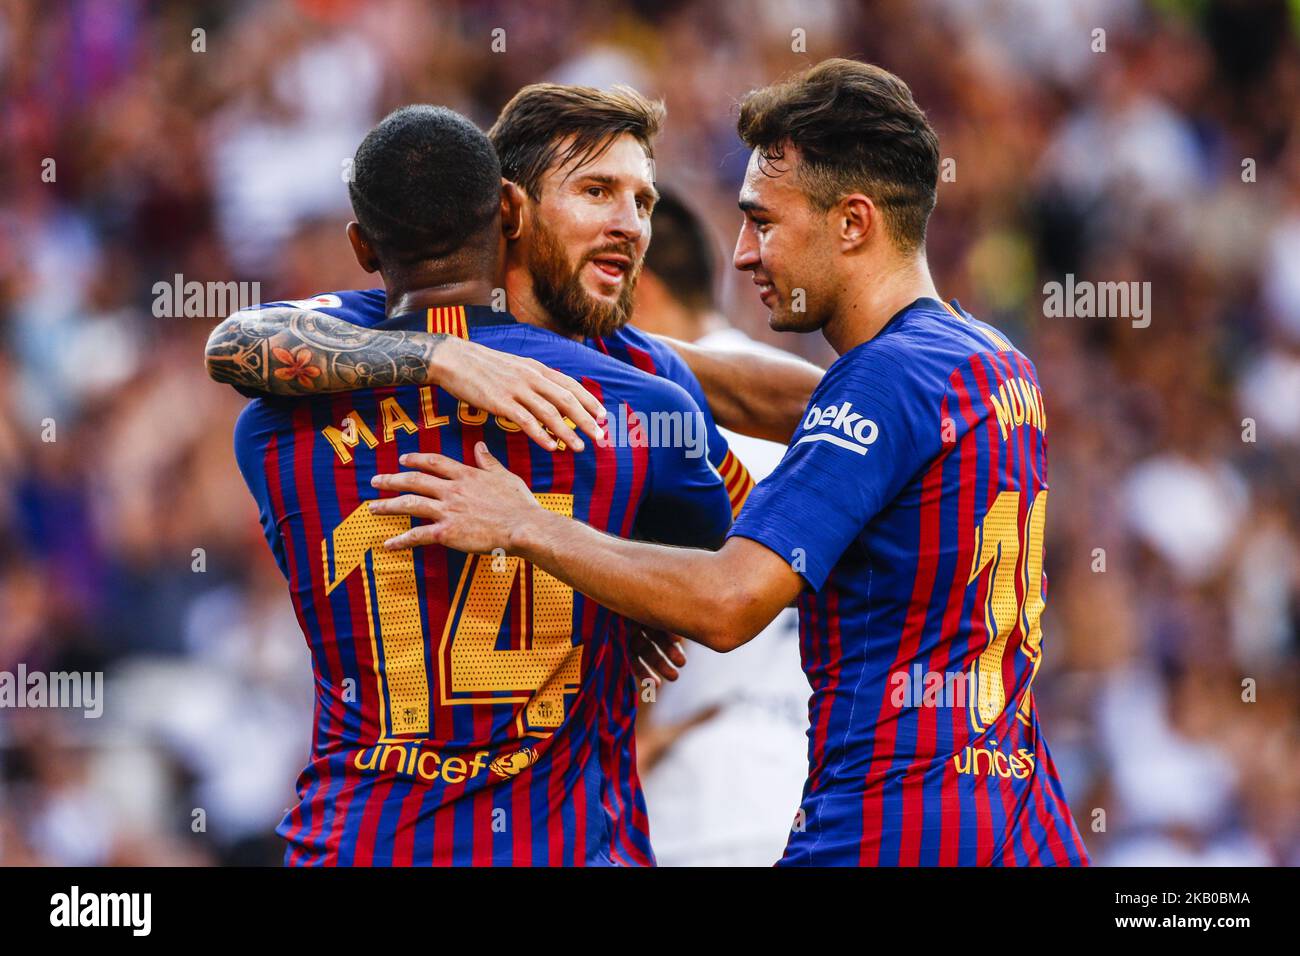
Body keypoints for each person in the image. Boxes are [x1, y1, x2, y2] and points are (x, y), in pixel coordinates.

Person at [369, 59, 1092, 866]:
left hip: (885, 826)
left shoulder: (883, 382)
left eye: (763, 222)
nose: (744, 255)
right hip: (1018, 817)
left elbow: (727, 602)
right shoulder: (990, 363)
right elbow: (783, 398)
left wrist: (526, 526)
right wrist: (569, 351)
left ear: (852, 223)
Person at [206, 82, 824, 862]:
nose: (629, 224)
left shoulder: (277, 417)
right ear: (510, 210)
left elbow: (239, 345)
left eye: (643, 199)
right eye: (597, 191)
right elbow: (721, 567)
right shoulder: (637, 403)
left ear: (366, 247)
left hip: (356, 838)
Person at [629, 190, 809, 866]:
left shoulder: (650, 418)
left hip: (692, 805)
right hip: (814, 791)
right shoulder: (816, 419)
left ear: (635, 288)